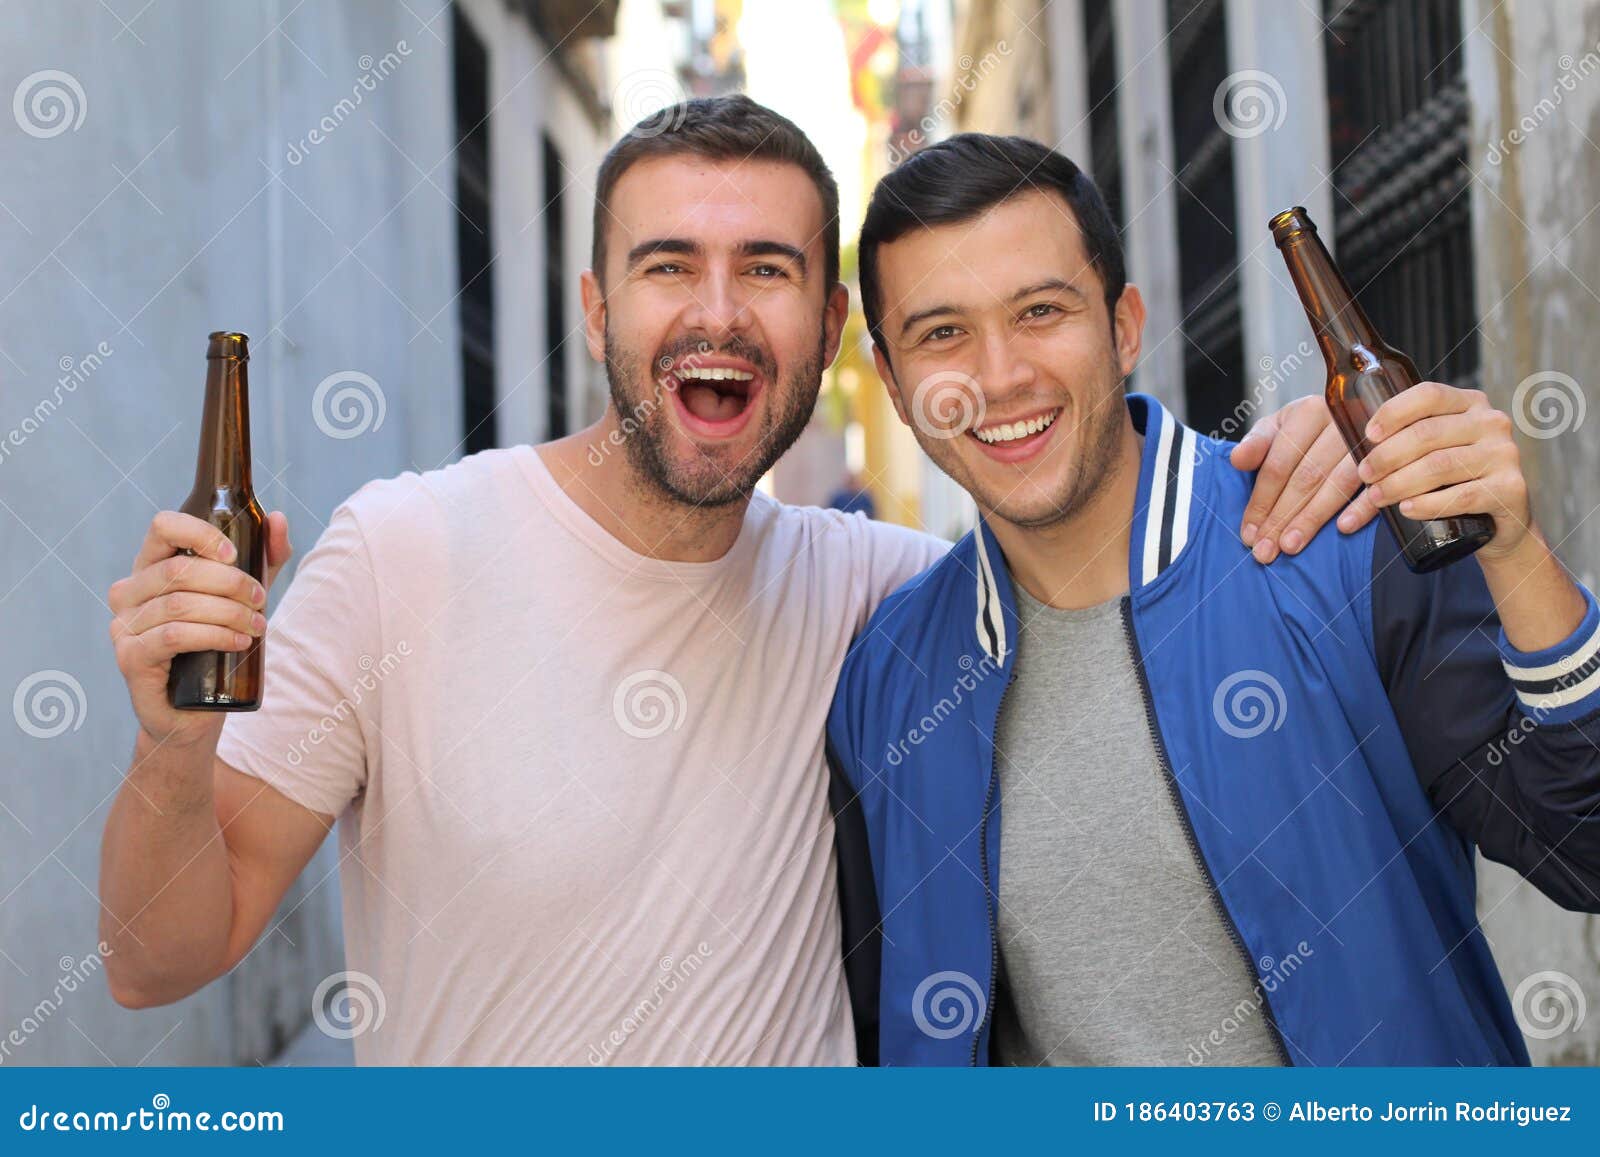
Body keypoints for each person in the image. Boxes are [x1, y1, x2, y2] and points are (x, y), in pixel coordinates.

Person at [99, 98, 1352, 1064]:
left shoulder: (885, 597)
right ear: (596, 309)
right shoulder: (403, 552)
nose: (718, 313)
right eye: (666, 266)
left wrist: (1312, 461)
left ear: (831, 327)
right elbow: (156, 960)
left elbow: (1101, 537)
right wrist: (169, 748)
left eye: (765, 267)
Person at [827, 132, 1600, 1067]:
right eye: (943, 333)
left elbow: (1584, 848)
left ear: (1124, 326)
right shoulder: (886, 683)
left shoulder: (1343, 543)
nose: (999, 376)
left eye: (1040, 311)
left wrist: (1514, 550)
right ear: (894, 382)